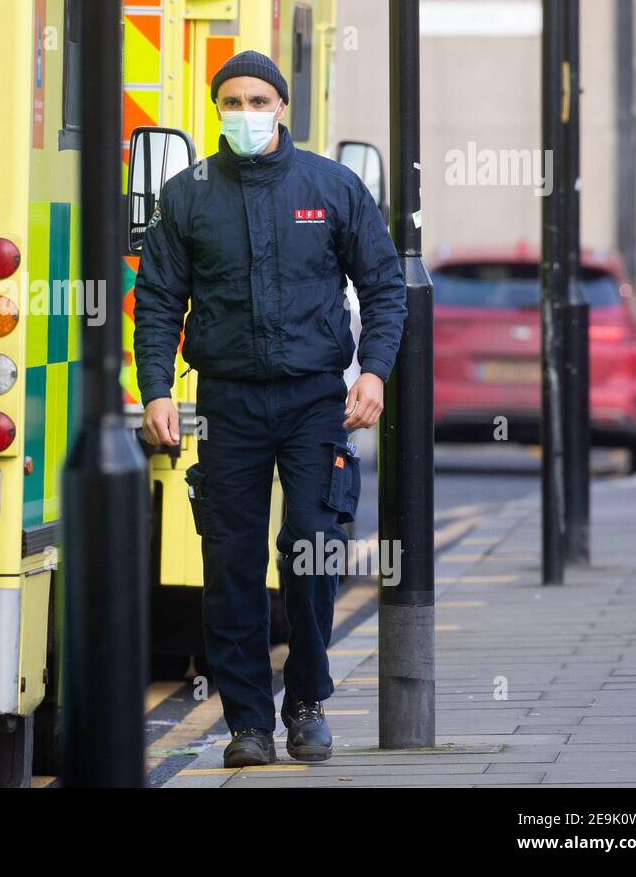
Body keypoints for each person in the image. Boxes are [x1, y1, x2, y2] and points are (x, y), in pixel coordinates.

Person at [133, 50, 408, 767]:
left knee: (312, 551)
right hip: (227, 403)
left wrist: (373, 373)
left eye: (260, 100)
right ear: (217, 108)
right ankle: (247, 724)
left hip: (316, 400)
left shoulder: (332, 186)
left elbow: (384, 286)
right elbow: (159, 299)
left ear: (283, 107)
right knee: (229, 563)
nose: (247, 113)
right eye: (233, 101)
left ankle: (309, 702)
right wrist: (157, 389)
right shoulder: (188, 194)